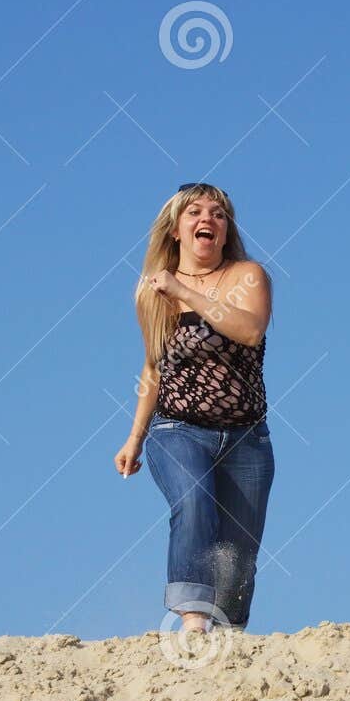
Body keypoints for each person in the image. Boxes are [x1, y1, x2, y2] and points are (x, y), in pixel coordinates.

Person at [115, 183, 274, 634]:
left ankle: (228, 632)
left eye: (219, 213)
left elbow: (249, 331)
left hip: (247, 436)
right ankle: (192, 619)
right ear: (175, 230)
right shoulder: (152, 293)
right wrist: (134, 437)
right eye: (195, 212)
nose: (208, 218)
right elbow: (152, 367)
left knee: (238, 550)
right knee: (194, 501)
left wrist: (186, 294)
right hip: (177, 428)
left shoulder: (248, 276)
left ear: (226, 231)